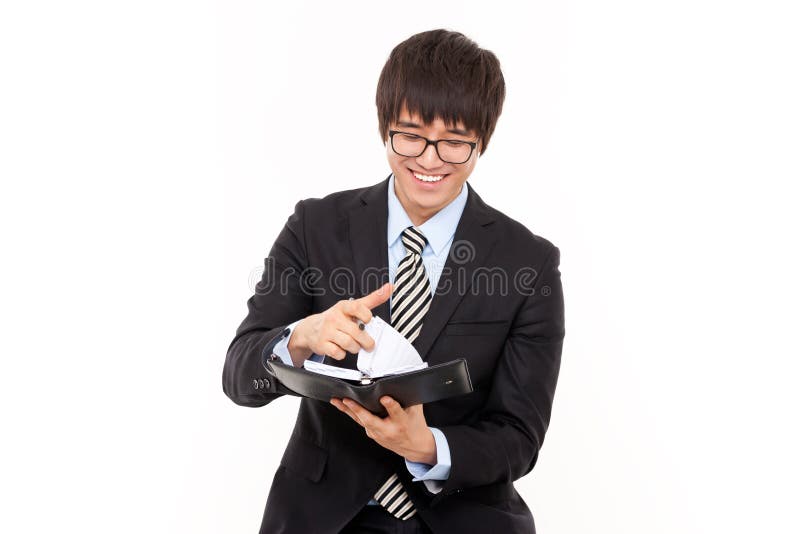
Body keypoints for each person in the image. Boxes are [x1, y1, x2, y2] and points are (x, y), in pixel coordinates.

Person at [223, 29, 565, 534]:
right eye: (410, 136)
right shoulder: (315, 227)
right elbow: (238, 376)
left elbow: (520, 437)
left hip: (460, 518)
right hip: (324, 518)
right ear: (385, 127)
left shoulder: (528, 263)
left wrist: (426, 447)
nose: (429, 159)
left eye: (454, 142)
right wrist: (299, 339)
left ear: (483, 141)